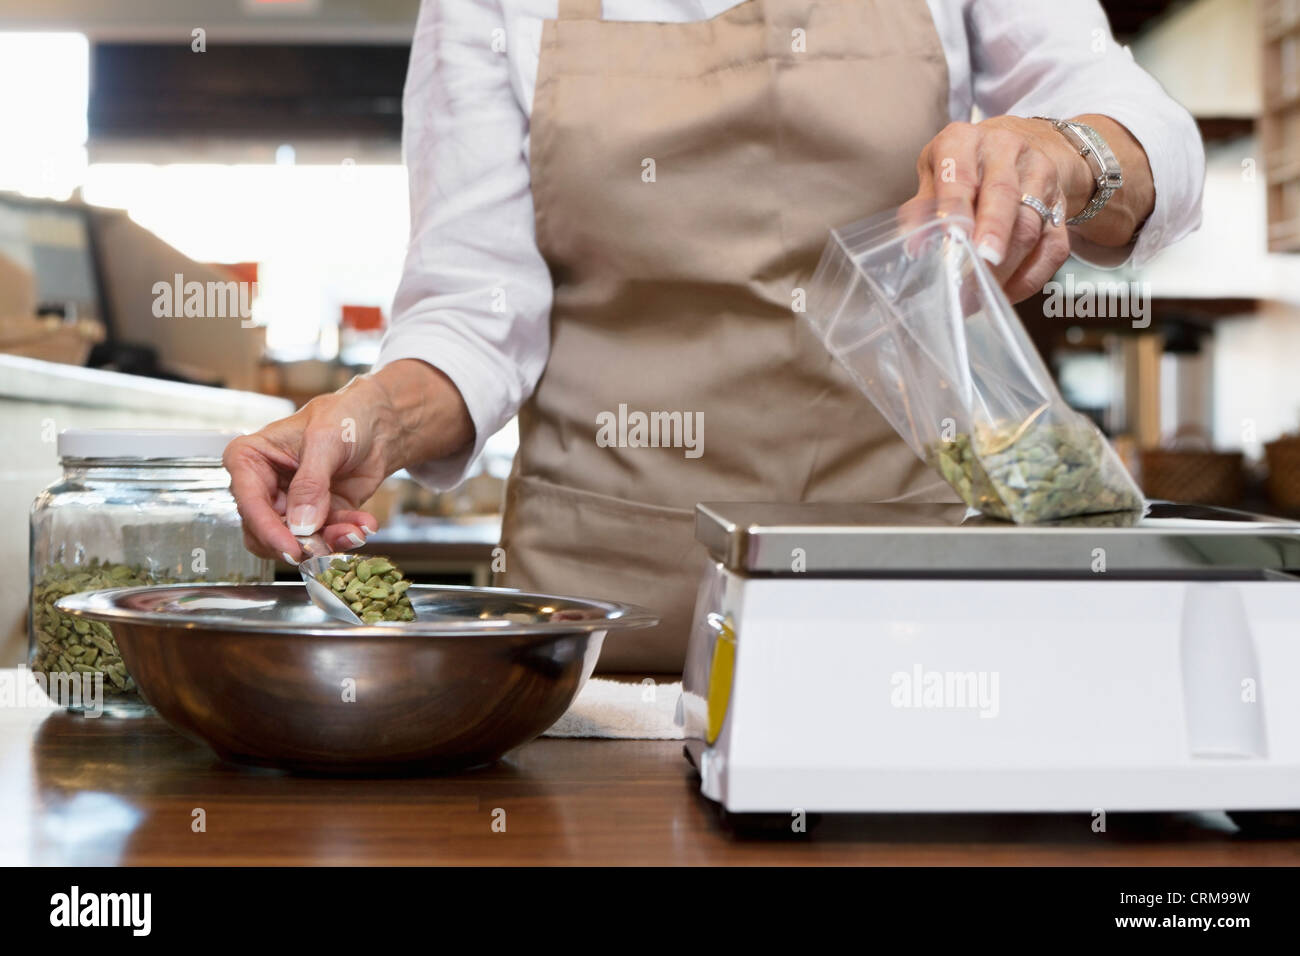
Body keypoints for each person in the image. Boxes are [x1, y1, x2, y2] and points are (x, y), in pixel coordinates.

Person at [225, 0, 1205, 672]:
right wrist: (371, 420)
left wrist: (1065, 152)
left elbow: (1149, 134)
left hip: (910, 608)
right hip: (611, 644)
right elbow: (476, 312)